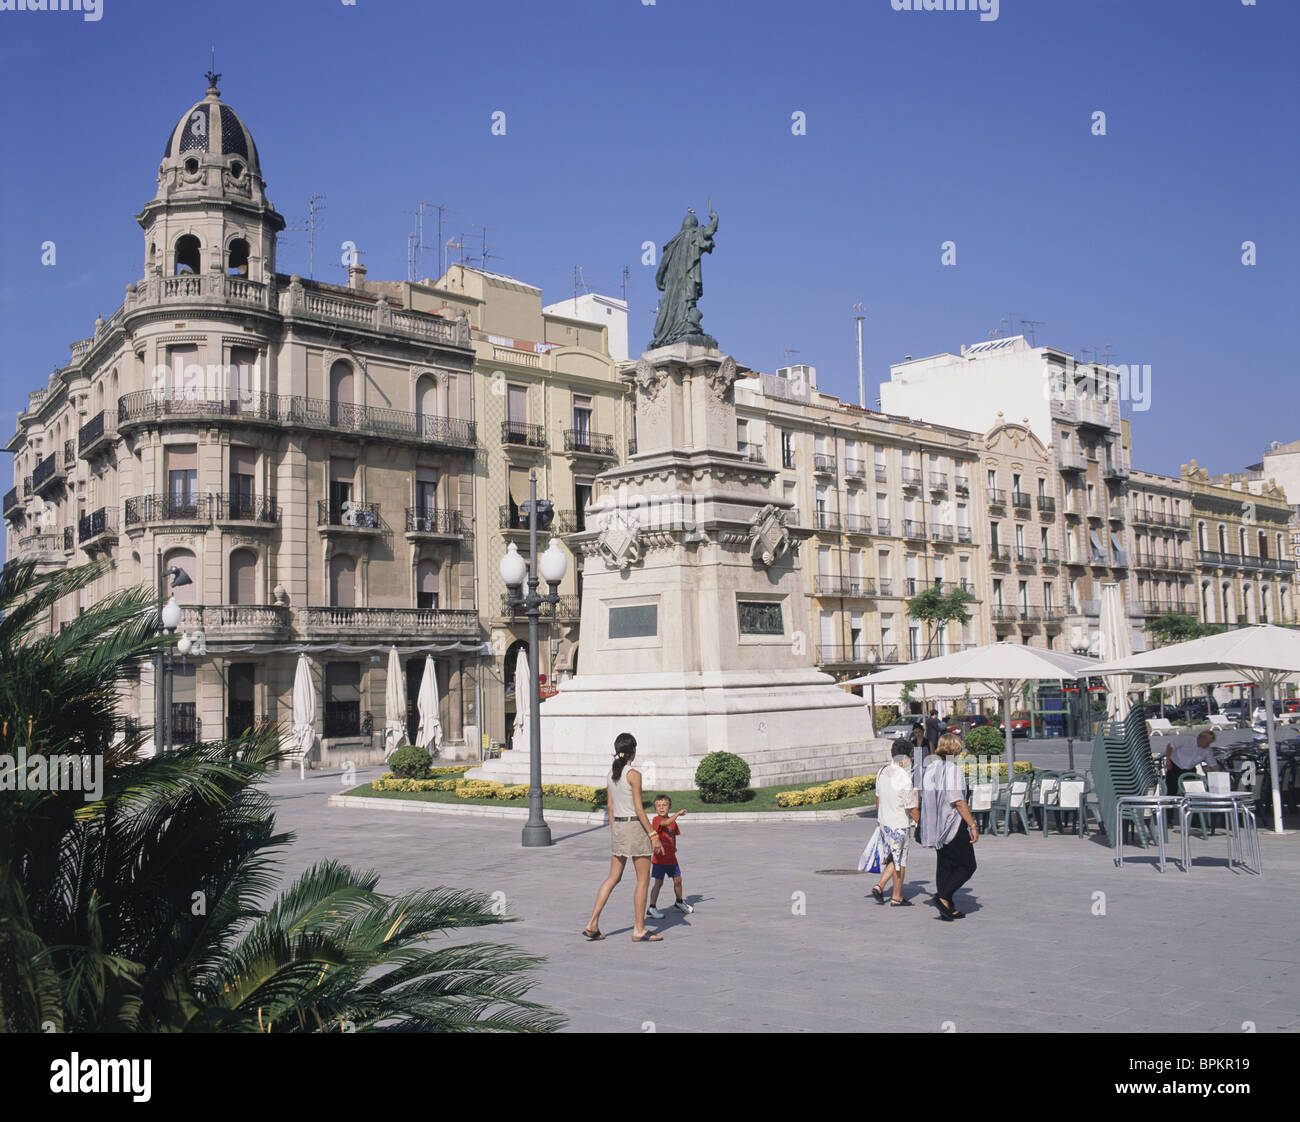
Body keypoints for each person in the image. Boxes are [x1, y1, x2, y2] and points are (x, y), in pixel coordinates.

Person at [583, 732, 665, 942]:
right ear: (633, 752)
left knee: (613, 877)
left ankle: (592, 922)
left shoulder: (611, 774)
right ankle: (639, 928)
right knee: (643, 879)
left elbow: (610, 806)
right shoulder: (633, 774)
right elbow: (639, 808)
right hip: (634, 827)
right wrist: (653, 834)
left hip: (618, 827)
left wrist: (615, 829)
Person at [921, 732, 978, 921]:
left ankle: (948, 906)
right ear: (956, 748)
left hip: (936, 827)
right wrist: (972, 824)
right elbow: (958, 801)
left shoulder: (931, 768)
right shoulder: (953, 770)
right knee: (967, 865)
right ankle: (943, 896)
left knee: (945, 865)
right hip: (952, 825)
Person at [871, 739, 921, 907]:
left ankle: (880, 887)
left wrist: (879, 817)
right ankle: (896, 897)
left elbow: (878, 797)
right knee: (900, 861)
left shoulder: (882, 771)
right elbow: (910, 807)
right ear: (905, 758)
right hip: (899, 824)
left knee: (893, 857)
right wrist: (921, 822)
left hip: (884, 821)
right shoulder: (904, 778)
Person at [646, 795, 692, 918]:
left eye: (664, 805)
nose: (661, 808)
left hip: (671, 859)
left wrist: (674, 848)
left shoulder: (674, 824)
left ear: (669, 807)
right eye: (658, 806)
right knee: (658, 883)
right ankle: (652, 907)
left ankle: (679, 901)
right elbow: (665, 822)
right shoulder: (656, 819)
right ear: (655, 809)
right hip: (659, 859)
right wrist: (677, 814)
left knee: (678, 880)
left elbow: (673, 836)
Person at [1165, 729, 1222, 795]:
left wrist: (1220, 777)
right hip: (1175, 766)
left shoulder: (1207, 750)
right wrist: (1168, 761)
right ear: (1201, 739)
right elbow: (1170, 746)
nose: (1208, 745)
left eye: (1210, 743)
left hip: (1190, 770)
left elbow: (1213, 765)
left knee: (1191, 791)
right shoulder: (1187, 739)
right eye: (1207, 742)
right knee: (1171, 791)